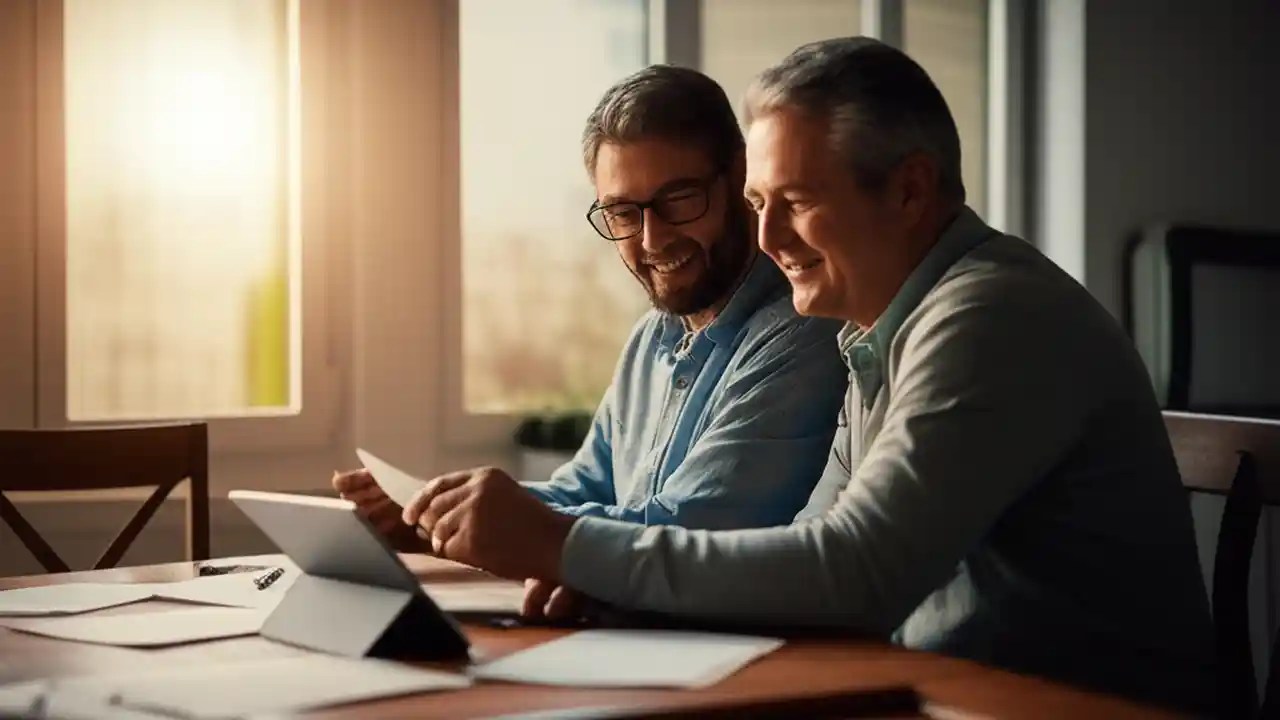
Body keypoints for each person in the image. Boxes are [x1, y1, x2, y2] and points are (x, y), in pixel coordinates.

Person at [400, 38, 1216, 713]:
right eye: (756, 202)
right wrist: (607, 582)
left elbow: (853, 573)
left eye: (793, 200)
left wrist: (567, 545)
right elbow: (802, 552)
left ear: (909, 190)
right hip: (948, 695)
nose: (766, 236)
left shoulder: (988, 313)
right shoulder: (873, 330)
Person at [335, 66, 845, 568]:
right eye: (623, 213)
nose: (652, 239)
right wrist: (440, 517)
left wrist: (509, 530)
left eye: (679, 200)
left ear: (741, 178)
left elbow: (693, 532)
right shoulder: (653, 337)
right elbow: (584, 488)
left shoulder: (803, 333)